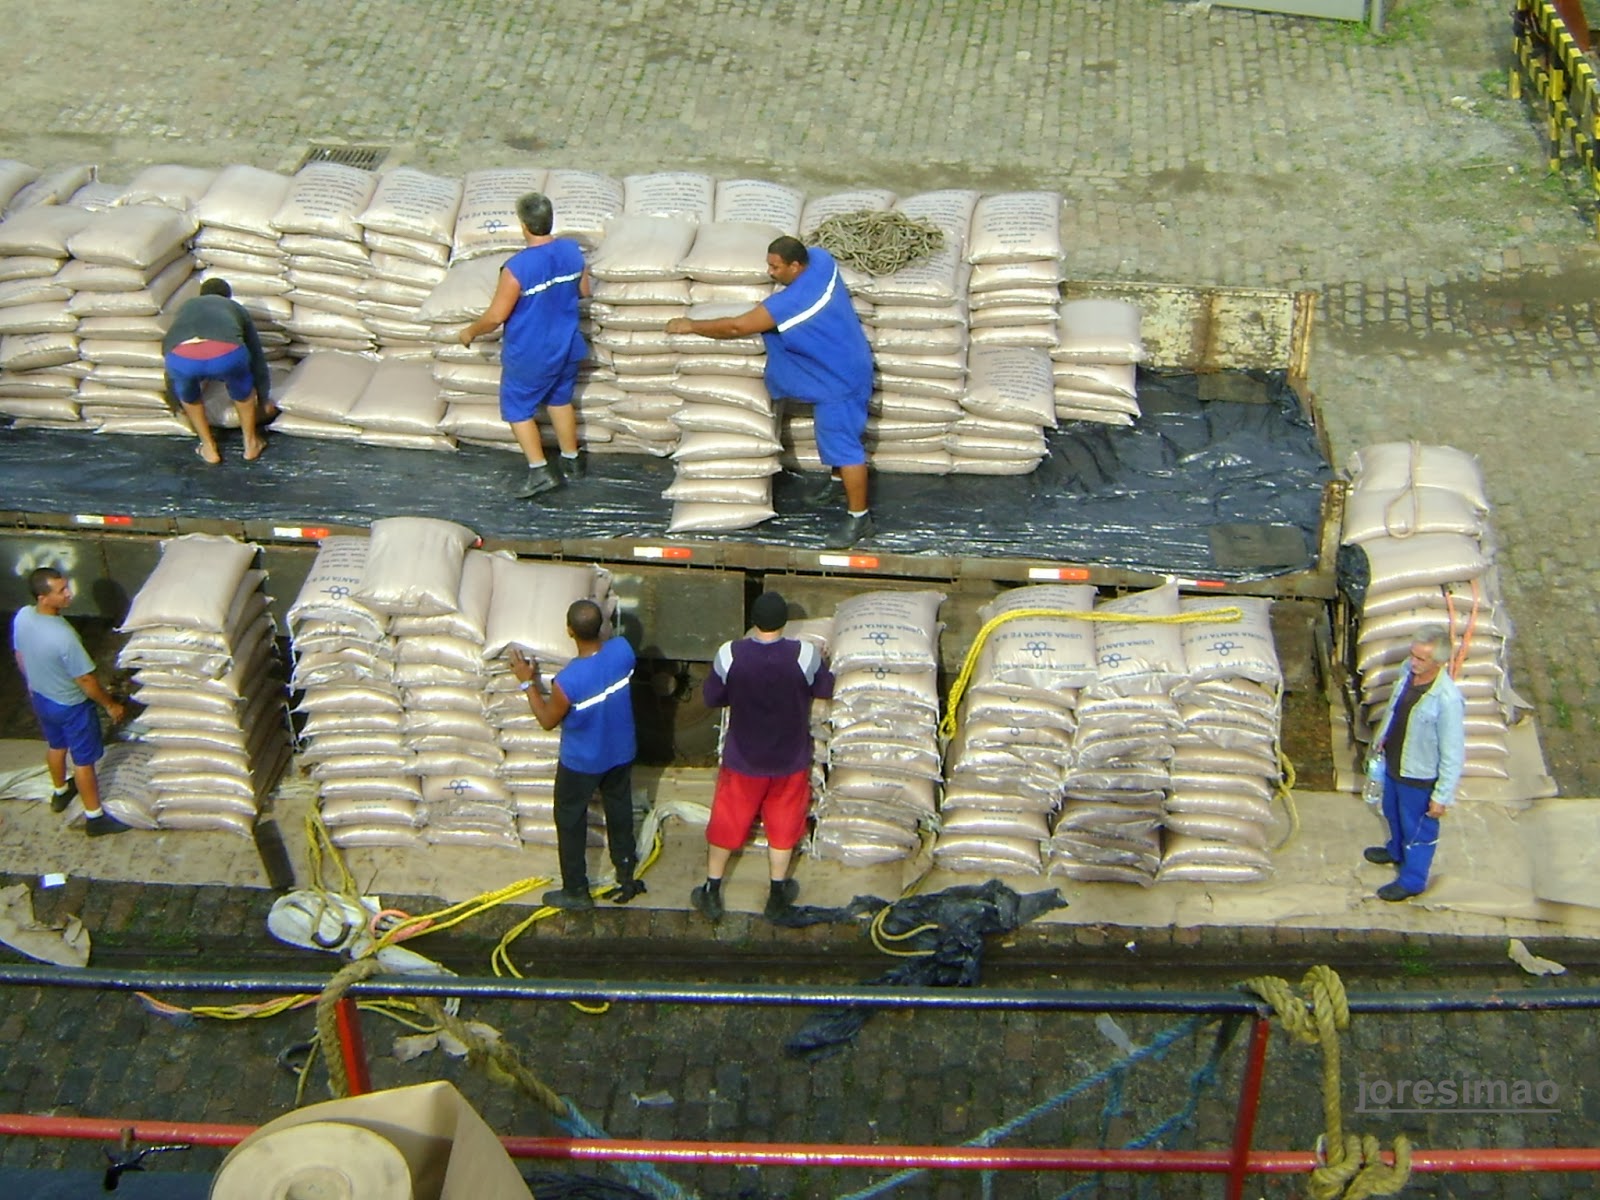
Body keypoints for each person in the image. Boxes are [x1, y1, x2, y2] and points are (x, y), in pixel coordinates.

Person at [665, 236, 877, 549]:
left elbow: (738, 327)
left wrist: (691, 326)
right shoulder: (821, 261)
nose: (770, 272)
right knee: (831, 434)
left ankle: (860, 519)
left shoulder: (790, 302)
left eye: (775, 267)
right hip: (846, 359)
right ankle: (836, 484)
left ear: (795, 265)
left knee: (844, 446)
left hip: (840, 381)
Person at [692, 591, 833, 921]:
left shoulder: (730, 654)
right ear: (784, 622)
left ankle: (712, 891)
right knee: (783, 827)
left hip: (743, 760)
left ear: (753, 621)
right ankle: (776, 894)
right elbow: (824, 688)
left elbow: (712, 697)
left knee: (728, 823)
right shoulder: (805, 655)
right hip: (790, 760)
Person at [508, 600, 642, 909]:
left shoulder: (568, 681)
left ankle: (575, 890)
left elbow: (547, 720)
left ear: (569, 631)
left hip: (582, 762)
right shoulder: (623, 651)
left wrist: (527, 681)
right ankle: (625, 874)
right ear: (602, 628)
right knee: (619, 810)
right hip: (621, 752)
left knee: (569, 820)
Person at [458, 192, 590, 499]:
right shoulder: (573, 252)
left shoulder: (517, 268)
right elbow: (583, 290)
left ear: (523, 225)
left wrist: (469, 332)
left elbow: (495, 316)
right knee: (559, 400)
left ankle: (540, 470)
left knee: (517, 407)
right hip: (568, 344)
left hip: (531, 352)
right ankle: (572, 462)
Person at [11, 568, 132, 836]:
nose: (69, 595)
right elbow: (86, 680)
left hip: (42, 698)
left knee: (56, 745)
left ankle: (60, 792)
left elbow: (20, 654)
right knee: (83, 762)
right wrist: (111, 704)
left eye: (67, 587)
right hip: (71, 706)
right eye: (61, 591)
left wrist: (32, 684)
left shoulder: (23, 617)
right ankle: (95, 818)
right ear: (43, 597)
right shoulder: (64, 636)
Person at [1363, 625, 1465, 901]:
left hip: (1418, 776)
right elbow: (1395, 710)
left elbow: (1453, 752)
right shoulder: (1407, 674)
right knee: (1392, 812)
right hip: (1396, 762)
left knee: (1418, 829)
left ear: (1439, 662)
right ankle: (1395, 850)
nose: (1414, 662)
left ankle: (1412, 880)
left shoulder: (1447, 700)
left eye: (1421, 659)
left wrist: (1441, 796)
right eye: (1413, 655)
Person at [162, 278, 277, 465]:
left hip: (181, 357)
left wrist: (176, 403)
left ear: (201, 295)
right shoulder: (234, 307)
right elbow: (257, 358)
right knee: (243, 390)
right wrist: (263, 399)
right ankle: (251, 443)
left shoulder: (186, 307)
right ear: (227, 296)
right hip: (226, 355)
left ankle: (208, 447)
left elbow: (169, 363)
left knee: (189, 395)